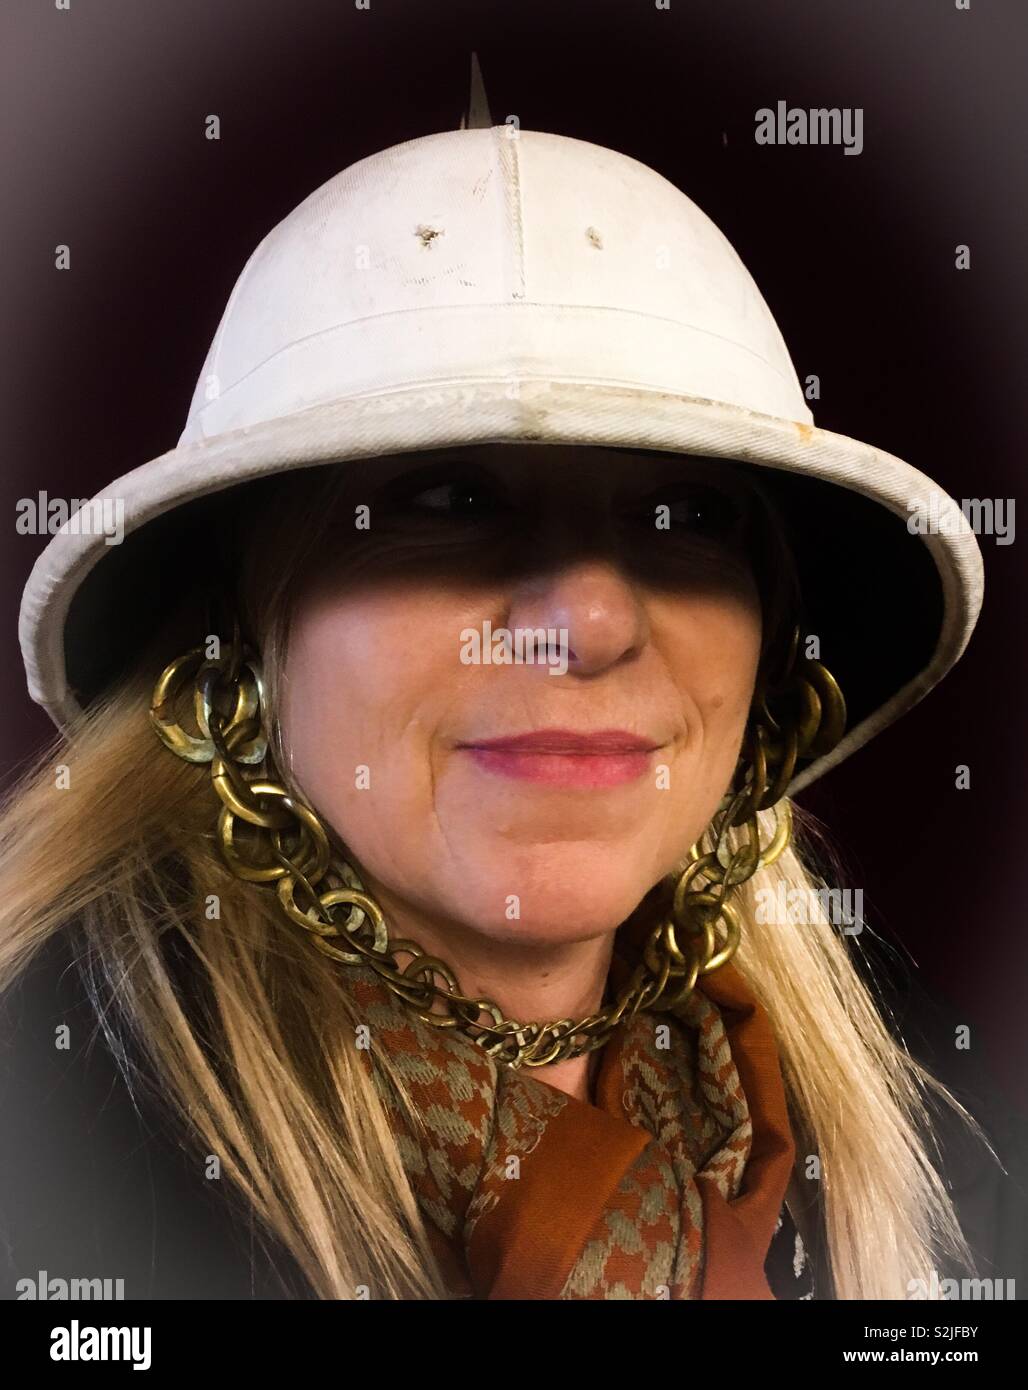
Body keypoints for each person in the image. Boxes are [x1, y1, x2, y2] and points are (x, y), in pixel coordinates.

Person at [2, 122, 1006, 1302]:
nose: (586, 623)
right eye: (451, 495)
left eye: (685, 513)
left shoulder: (925, 1096)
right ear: (237, 632)